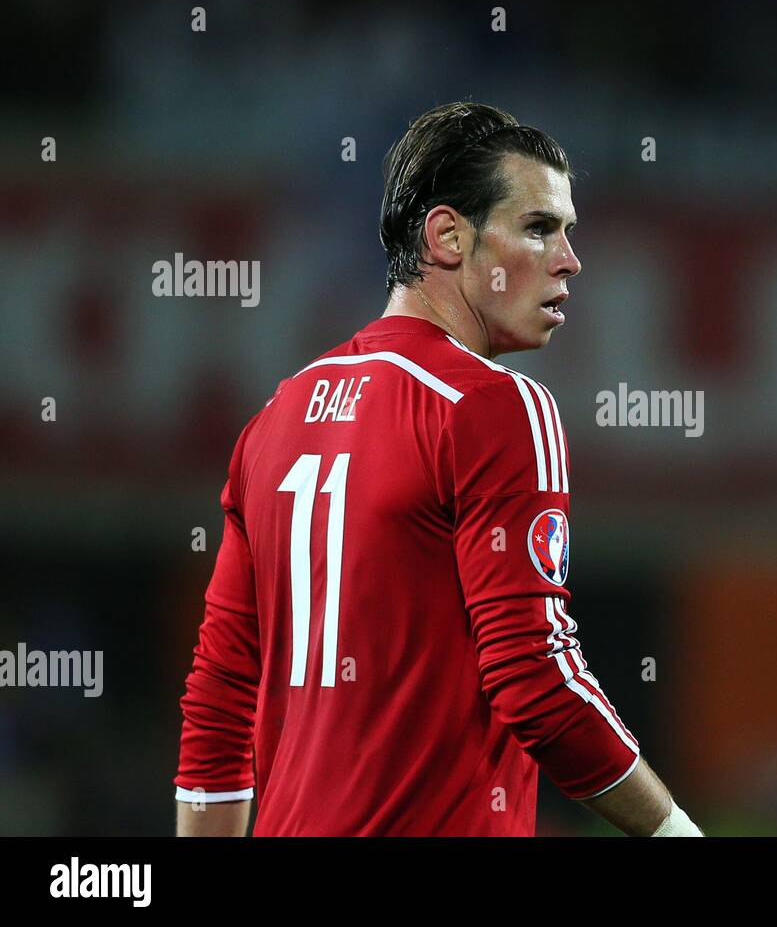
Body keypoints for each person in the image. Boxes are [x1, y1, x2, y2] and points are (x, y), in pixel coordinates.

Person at [174, 102, 701, 836]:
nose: (570, 259)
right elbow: (538, 678)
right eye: (540, 228)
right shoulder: (493, 406)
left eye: (569, 233)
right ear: (449, 237)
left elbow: (220, 699)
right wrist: (675, 830)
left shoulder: (274, 421)